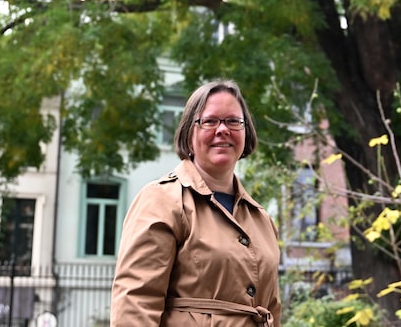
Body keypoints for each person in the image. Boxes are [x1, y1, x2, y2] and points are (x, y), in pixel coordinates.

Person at [111, 79, 281, 326]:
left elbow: (272, 308)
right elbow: (135, 302)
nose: (223, 129)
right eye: (210, 121)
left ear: (246, 132)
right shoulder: (161, 201)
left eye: (233, 121)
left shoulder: (260, 219)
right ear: (189, 134)